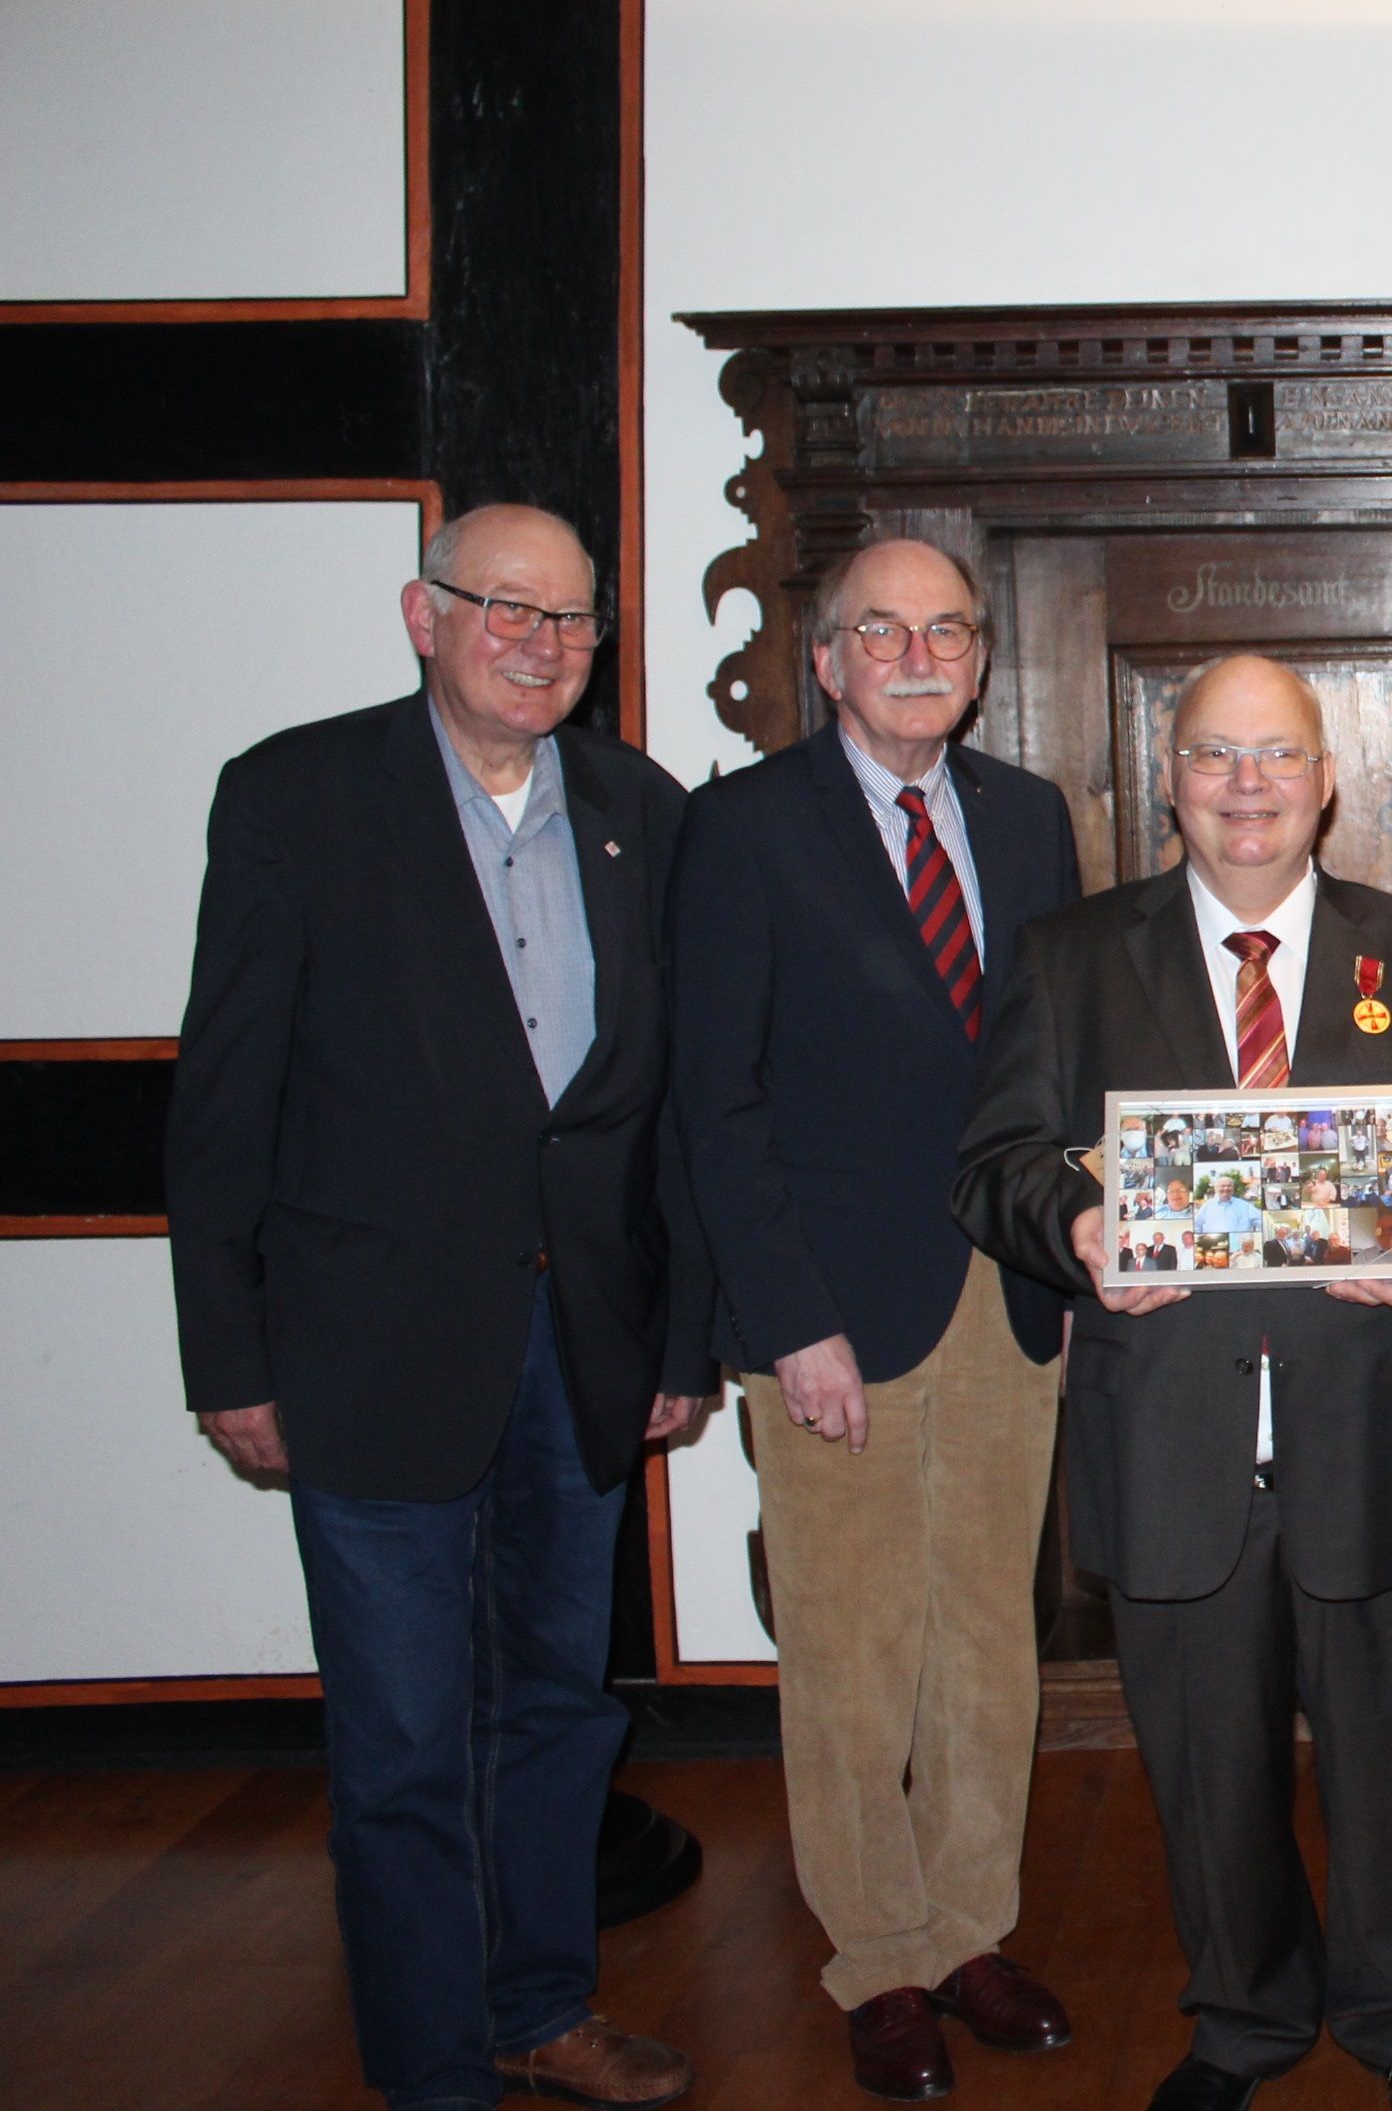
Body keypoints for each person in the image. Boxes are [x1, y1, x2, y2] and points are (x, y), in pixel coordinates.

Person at [167, 505, 706, 2111]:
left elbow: (661, 1107)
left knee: (557, 1708)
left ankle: (540, 2006)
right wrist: (229, 1355)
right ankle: (432, 2070)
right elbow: (222, 1102)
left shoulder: (639, 809)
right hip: (365, 1350)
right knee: (401, 1746)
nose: (541, 644)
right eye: (505, 609)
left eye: (573, 620)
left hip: (585, 1352)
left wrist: (680, 1343)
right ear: (425, 614)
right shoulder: (296, 797)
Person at [953, 655, 1392, 2111]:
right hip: (1169, 1437)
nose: (1247, 785)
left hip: (1367, 1427)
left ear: (1328, 783)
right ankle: (1244, 2020)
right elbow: (996, 1163)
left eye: (1276, 757)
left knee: (1390, 1749)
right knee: (1205, 1759)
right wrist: (1071, 1228)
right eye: (1214, 756)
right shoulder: (1068, 957)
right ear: (1170, 782)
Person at [667, 538, 1084, 2102]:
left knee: (991, 1638)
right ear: (826, 659)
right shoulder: (744, 830)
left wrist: (1090, 1244)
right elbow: (716, 1099)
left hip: (1009, 1295)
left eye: (948, 630)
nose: (919, 654)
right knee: (850, 1649)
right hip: (833, 1309)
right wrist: (785, 1319)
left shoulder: (1028, 819)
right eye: (881, 631)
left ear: (979, 660)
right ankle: (880, 1957)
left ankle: (974, 1927)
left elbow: (1057, 1068)